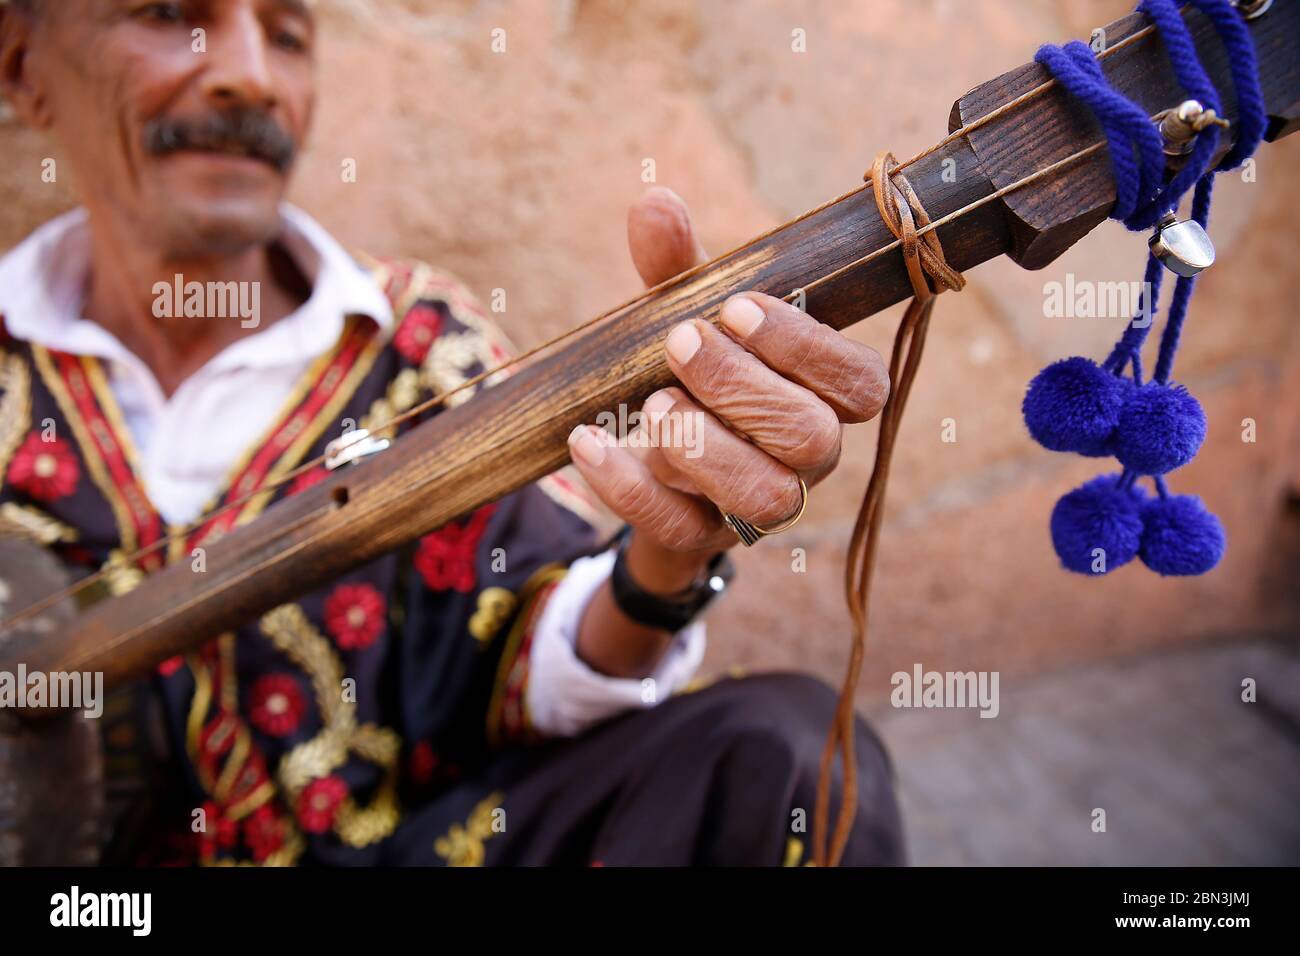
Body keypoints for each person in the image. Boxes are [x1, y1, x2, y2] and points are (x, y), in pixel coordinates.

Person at [0, 0, 903, 865]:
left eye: (286, 34)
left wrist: (664, 564)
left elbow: (515, 649)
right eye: (170, 15)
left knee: (786, 764)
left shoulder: (419, 343)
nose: (250, 76)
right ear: (22, 67)